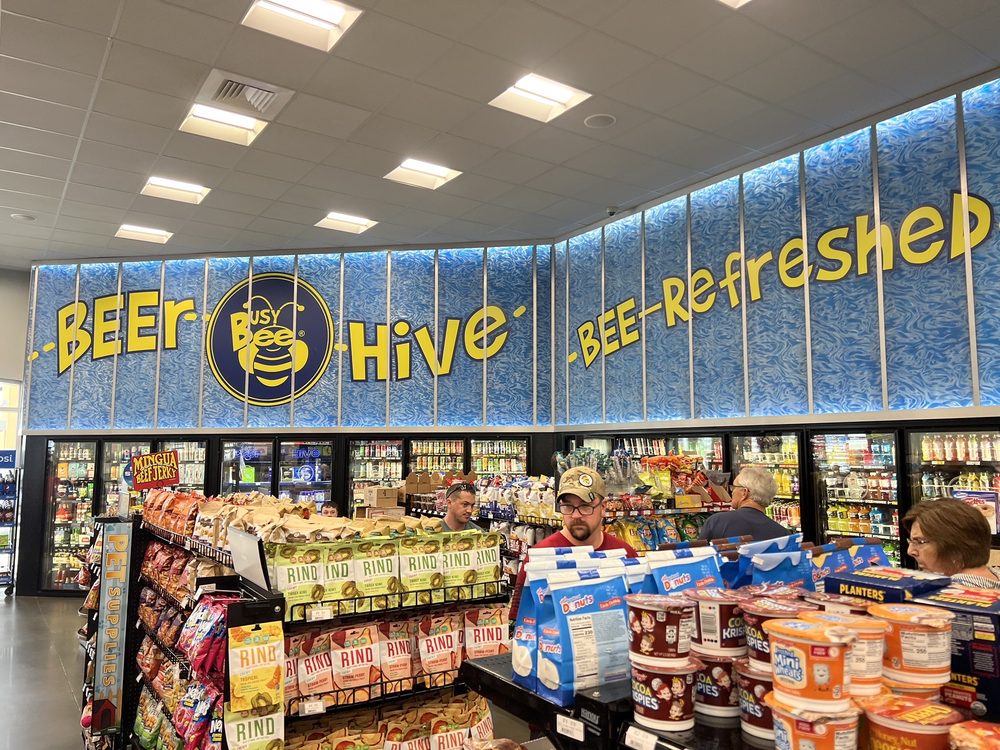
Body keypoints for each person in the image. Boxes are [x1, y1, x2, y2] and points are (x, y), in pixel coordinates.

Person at [509, 466, 637, 620]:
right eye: (568, 506)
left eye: (585, 506)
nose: (576, 515)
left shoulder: (625, 554)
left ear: (603, 508)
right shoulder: (538, 559)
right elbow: (520, 625)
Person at [903, 498, 1000, 589]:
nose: (910, 551)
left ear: (957, 548)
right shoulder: (994, 576)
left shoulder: (948, 597)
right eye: (911, 541)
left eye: (920, 542)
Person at [698, 466, 790, 542]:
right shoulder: (783, 533)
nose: (732, 492)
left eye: (734, 487)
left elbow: (700, 558)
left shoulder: (716, 521)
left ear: (744, 492)